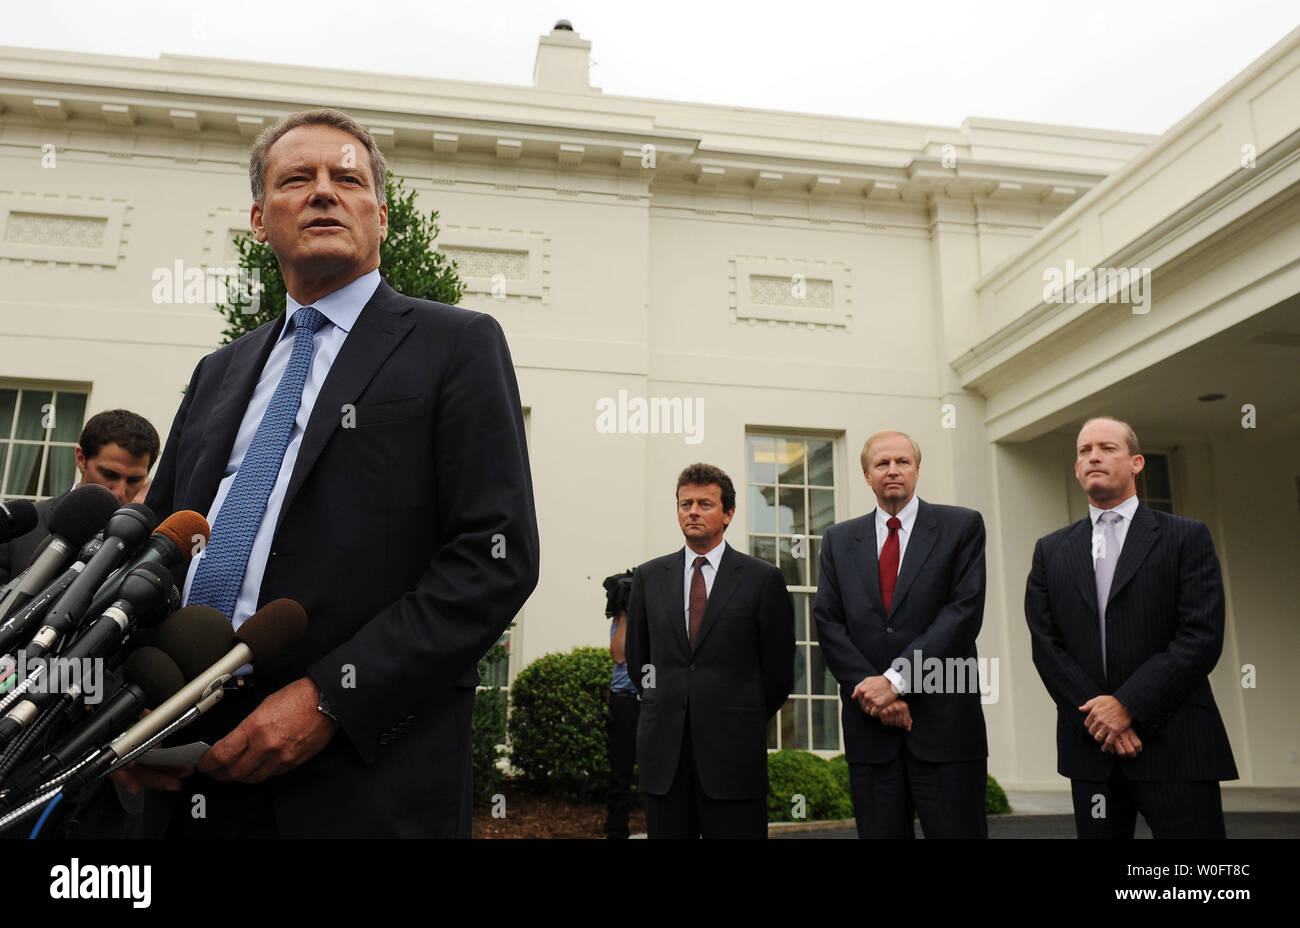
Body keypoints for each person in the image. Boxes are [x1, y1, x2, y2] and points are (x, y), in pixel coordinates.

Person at [136, 108, 539, 837]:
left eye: (347, 180)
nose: (324, 191)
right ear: (259, 220)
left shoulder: (458, 345)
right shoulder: (217, 372)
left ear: (380, 216)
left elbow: (492, 558)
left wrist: (331, 698)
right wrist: (125, 706)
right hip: (186, 764)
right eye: (297, 179)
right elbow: (157, 548)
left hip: (360, 777)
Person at [1025, 416, 1237, 838]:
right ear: (1076, 469)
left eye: (1107, 448)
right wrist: (1099, 718)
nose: (1093, 457)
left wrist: (1128, 706)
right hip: (1092, 750)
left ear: (1137, 462)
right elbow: (1046, 645)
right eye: (1084, 451)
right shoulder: (1051, 550)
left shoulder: (1186, 537)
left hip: (1177, 743)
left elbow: (1201, 636)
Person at [813, 430, 988, 838]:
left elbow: (962, 614)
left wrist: (895, 681)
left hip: (945, 730)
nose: (893, 470)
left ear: (917, 470)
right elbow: (829, 622)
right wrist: (873, 694)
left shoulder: (961, 526)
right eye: (882, 464)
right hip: (870, 732)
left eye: (902, 462)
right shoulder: (838, 540)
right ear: (866, 475)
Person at [625, 463, 793, 839]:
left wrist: (736, 714)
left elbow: (778, 672)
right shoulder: (649, 577)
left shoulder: (762, 579)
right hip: (664, 758)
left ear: (728, 513)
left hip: (734, 758)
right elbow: (639, 662)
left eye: (705, 504)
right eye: (685, 504)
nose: (693, 512)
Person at [0, 409, 159, 583]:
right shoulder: (17, 529)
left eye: (134, 480)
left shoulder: (149, 547)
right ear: (81, 459)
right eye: (109, 474)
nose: (120, 491)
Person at [602, 569, 638, 838]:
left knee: (659, 772)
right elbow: (618, 656)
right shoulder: (620, 619)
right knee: (620, 773)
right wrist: (625, 615)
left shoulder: (659, 618)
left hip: (653, 702)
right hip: (624, 701)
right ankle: (616, 831)